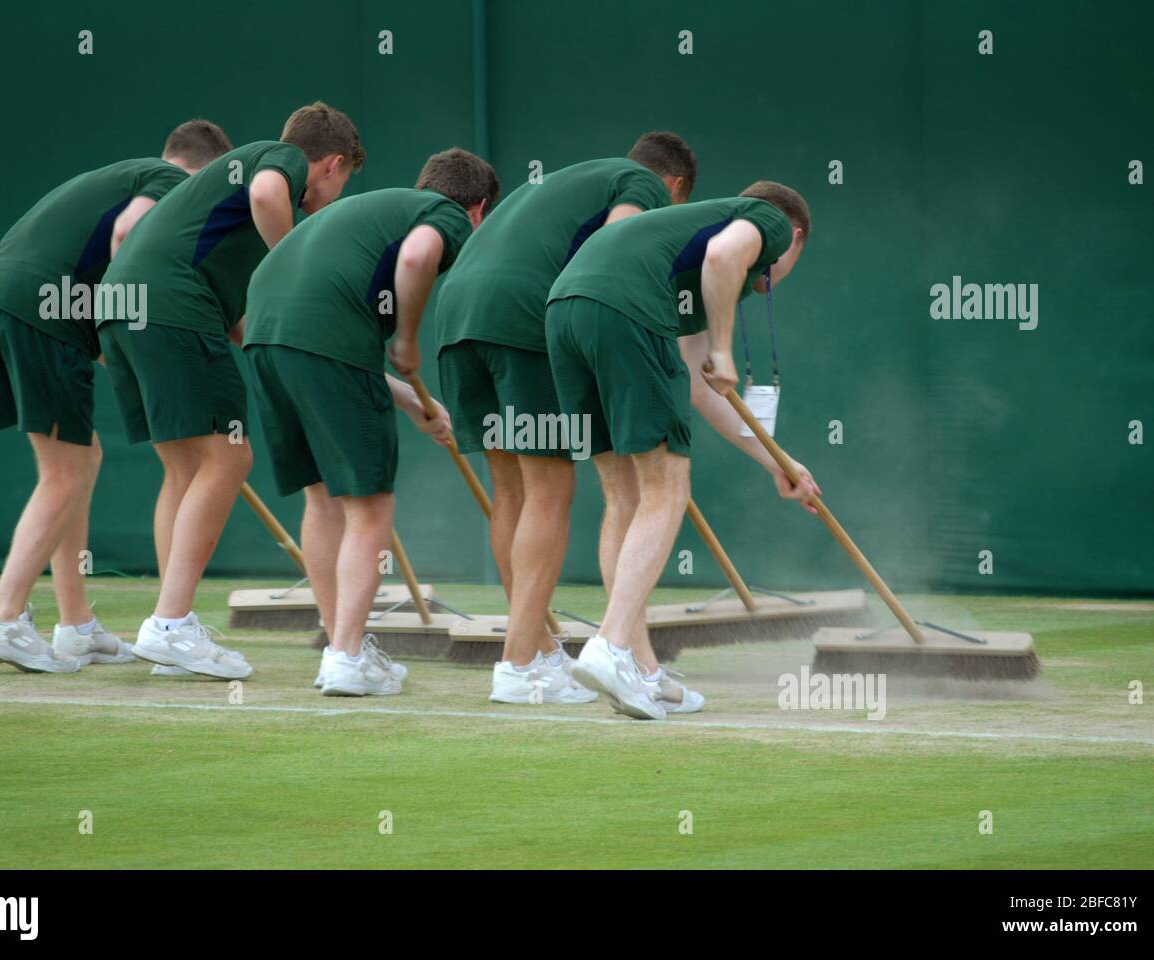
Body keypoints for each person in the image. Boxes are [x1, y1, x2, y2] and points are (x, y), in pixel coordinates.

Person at [97, 102, 362, 680]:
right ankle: (169, 625)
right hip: (171, 306)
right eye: (342, 182)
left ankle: (171, 629)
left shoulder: (222, 216)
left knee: (185, 471)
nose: (333, 195)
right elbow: (268, 193)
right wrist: (300, 269)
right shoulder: (282, 160)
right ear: (332, 164)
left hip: (123, 306)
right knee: (230, 454)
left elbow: (237, 323)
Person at [433, 132, 696, 704]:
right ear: (673, 187)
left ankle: (536, 652)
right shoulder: (643, 184)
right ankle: (519, 661)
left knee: (513, 492)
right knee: (551, 488)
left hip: (455, 322)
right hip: (522, 324)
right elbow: (615, 248)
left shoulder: (560, 181)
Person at [0, 120, 232, 673]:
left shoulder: (117, 174)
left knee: (78, 461)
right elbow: (128, 233)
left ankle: (77, 626)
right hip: (41, 311)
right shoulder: (168, 181)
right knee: (66, 473)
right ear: (200, 171)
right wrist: (132, 320)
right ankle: (3, 618)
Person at [545, 181, 821, 719]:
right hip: (621, 312)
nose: (778, 273)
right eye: (792, 260)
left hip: (565, 314)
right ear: (794, 237)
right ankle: (610, 646)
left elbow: (698, 383)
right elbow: (723, 256)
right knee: (667, 487)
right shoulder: (765, 222)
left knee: (624, 496)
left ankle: (638, 668)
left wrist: (778, 463)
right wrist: (723, 346)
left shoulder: (699, 272)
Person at [244, 148, 498, 696]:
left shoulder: (368, 210)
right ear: (477, 209)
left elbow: (322, 340)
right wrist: (406, 338)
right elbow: (416, 259)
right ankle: (346, 654)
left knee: (322, 497)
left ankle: (343, 644)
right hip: (321, 344)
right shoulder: (444, 214)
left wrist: (411, 401)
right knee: (371, 505)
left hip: (264, 334)